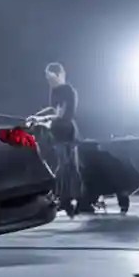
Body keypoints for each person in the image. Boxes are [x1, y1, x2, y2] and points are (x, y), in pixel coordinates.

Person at [27, 63, 85, 215]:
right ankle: (65, 199)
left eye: (51, 77)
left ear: (59, 74)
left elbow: (62, 114)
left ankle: (76, 199)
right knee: (63, 165)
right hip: (57, 131)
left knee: (70, 167)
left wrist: (42, 119)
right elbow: (53, 109)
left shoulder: (68, 91)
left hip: (68, 131)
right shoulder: (54, 91)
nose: (49, 81)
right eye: (47, 78)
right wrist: (37, 116)